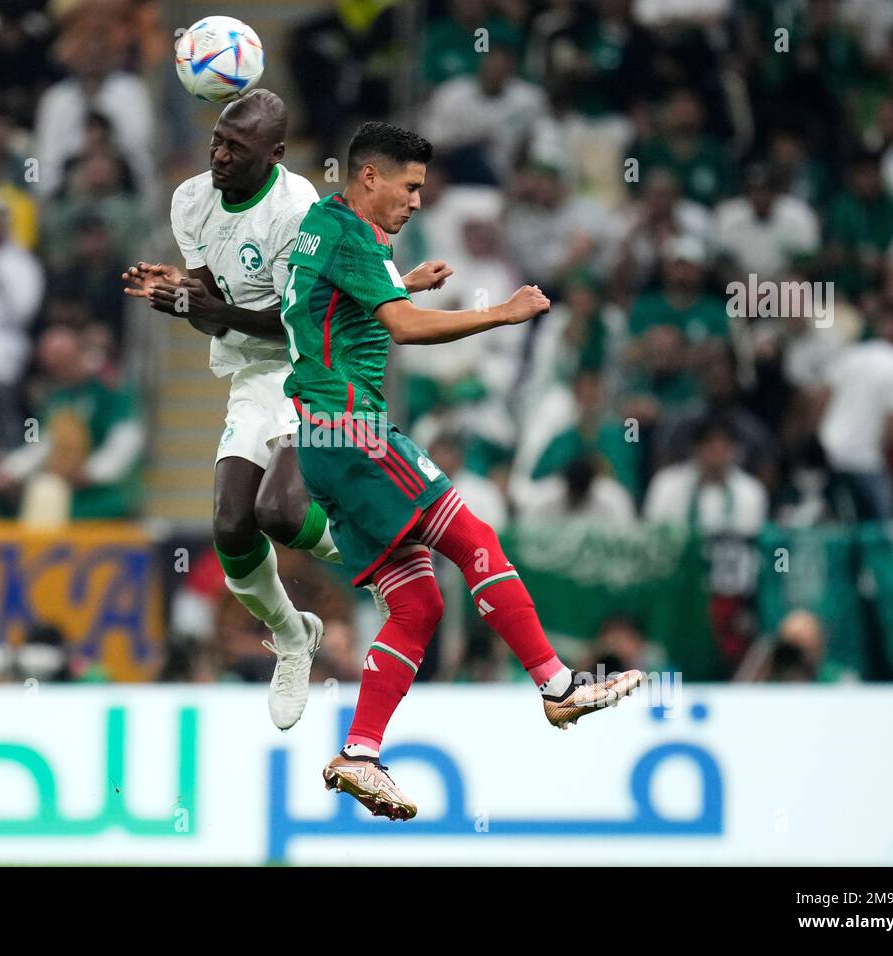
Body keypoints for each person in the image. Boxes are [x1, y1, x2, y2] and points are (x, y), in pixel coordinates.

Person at [279, 121, 643, 819]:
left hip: (319, 446)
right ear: (369, 178)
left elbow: (316, 302)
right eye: (409, 187)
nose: (416, 202)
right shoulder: (355, 236)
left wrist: (400, 281)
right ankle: (556, 685)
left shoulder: (320, 227)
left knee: (418, 605)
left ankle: (359, 753)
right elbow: (407, 329)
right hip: (356, 428)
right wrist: (500, 313)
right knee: (474, 535)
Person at [122, 91, 355, 731]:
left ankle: (379, 547)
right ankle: (291, 636)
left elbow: (296, 323)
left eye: (237, 149)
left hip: (312, 365)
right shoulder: (191, 200)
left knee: (279, 510)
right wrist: (178, 299)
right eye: (218, 141)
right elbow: (211, 305)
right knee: (230, 527)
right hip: (253, 373)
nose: (220, 156)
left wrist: (210, 311)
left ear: (275, 155)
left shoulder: (296, 209)